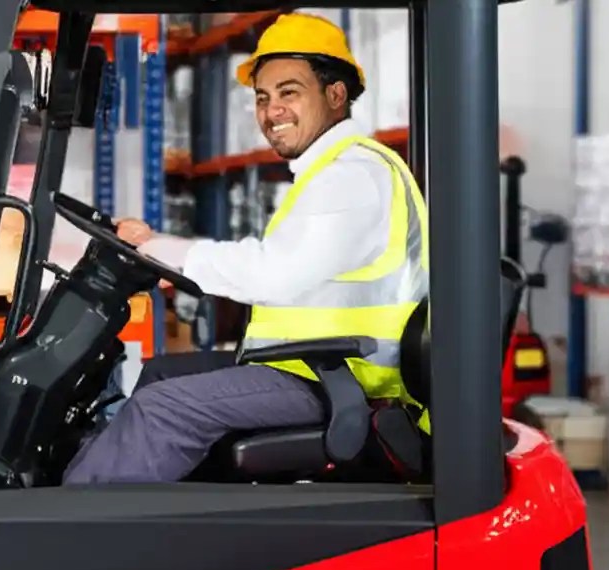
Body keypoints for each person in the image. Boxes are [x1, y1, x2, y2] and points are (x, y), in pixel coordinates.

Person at [62, 13, 429, 485]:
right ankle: (158, 520)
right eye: (263, 97)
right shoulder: (336, 171)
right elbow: (271, 264)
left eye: (289, 93)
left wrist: (162, 247)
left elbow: (272, 275)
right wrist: (158, 250)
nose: (271, 111)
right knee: (159, 376)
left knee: (161, 409)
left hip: (345, 379)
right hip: (321, 368)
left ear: (336, 95)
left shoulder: (351, 176)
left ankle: (69, 535)